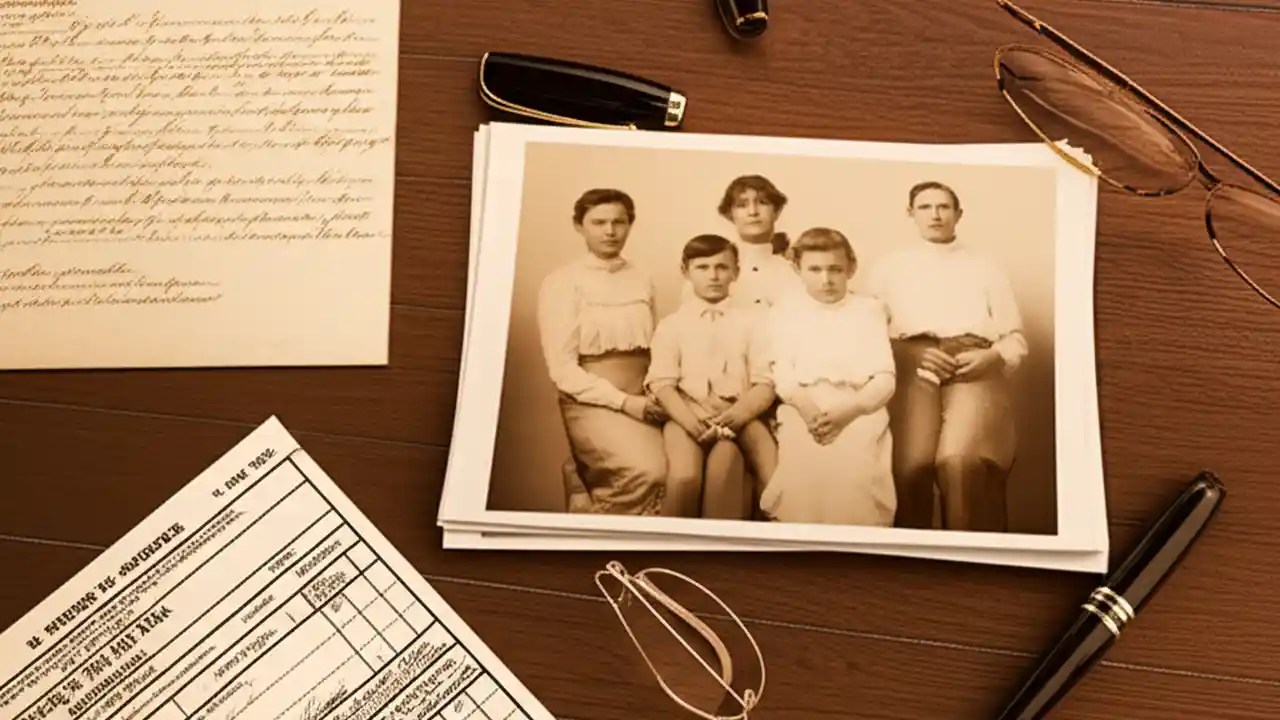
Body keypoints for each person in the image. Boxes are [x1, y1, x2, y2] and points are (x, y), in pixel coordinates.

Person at [866, 181, 1027, 532]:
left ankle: (975, 559)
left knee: (959, 462)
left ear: (958, 214)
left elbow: (1015, 339)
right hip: (911, 362)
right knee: (912, 466)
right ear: (910, 214)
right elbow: (867, 334)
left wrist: (991, 356)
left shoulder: (987, 267)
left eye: (944, 207)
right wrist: (911, 354)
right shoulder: (889, 268)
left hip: (972, 363)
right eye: (925, 207)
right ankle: (911, 562)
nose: (935, 215)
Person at [537, 188, 670, 516]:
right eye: (598, 222)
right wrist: (626, 402)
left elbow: (658, 345)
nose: (610, 231)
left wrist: (657, 393)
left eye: (618, 222)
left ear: (630, 225)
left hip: (646, 396)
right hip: (594, 401)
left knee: (685, 469)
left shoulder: (641, 277)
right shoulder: (562, 283)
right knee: (648, 472)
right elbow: (562, 370)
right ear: (579, 226)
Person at [760, 228, 897, 526]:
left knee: (854, 474)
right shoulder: (787, 309)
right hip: (804, 407)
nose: (826, 279)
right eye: (815, 269)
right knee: (806, 470)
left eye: (835, 269)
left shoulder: (869, 310)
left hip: (859, 408)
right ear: (798, 269)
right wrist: (807, 410)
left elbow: (885, 379)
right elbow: (782, 373)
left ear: (851, 268)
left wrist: (850, 412)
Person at [645, 235, 779, 519]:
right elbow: (662, 384)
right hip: (687, 415)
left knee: (774, 476)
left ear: (736, 272)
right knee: (684, 477)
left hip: (741, 416)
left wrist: (735, 417)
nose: (714, 275)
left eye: (722, 267)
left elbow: (765, 383)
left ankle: (776, 536)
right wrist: (692, 424)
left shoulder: (754, 322)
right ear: (685, 271)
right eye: (702, 267)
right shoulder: (673, 325)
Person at [683, 175, 802, 312]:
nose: (753, 212)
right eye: (742, 205)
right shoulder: (710, 266)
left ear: (776, 211)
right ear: (730, 214)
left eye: (762, 202)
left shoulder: (793, 269)